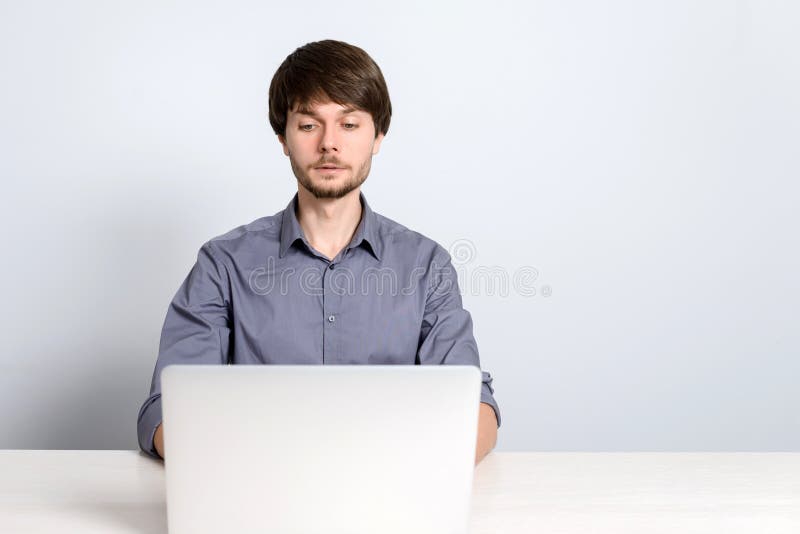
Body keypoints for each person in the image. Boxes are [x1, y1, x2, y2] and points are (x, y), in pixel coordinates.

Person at [137, 39, 500, 465]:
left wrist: (401, 472)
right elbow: (168, 410)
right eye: (309, 125)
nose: (329, 144)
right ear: (283, 138)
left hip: (390, 495)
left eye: (349, 125)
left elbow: (474, 405)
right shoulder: (224, 265)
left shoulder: (427, 266)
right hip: (257, 492)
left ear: (378, 136)